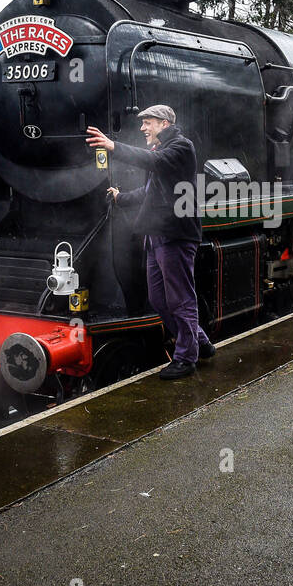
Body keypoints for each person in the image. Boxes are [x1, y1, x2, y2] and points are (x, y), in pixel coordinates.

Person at [86, 105, 213, 380]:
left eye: (148, 123)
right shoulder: (161, 152)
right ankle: (199, 341)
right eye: (143, 123)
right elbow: (149, 191)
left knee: (180, 299)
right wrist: (121, 197)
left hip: (175, 235)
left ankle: (186, 358)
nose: (143, 128)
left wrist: (113, 146)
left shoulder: (181, 147)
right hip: (156, 236)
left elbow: (151, 163)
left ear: (164, 124)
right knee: (158, 299)